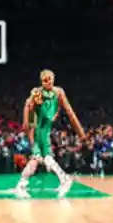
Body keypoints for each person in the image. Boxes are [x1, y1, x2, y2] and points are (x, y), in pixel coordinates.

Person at [12, 70, 84, 199]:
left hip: (44, 127)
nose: (48, 82)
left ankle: (22, 185)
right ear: (41, 81)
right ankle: (63, 179)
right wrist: (27, 127)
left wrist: (80, 132)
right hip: (39, 127)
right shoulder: (37, 93)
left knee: (37, 158)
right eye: (45, 80)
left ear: (53, 79)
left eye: (50, 79)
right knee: (41, 158)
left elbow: (68, 112)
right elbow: (28, 108)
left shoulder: (58, 92)